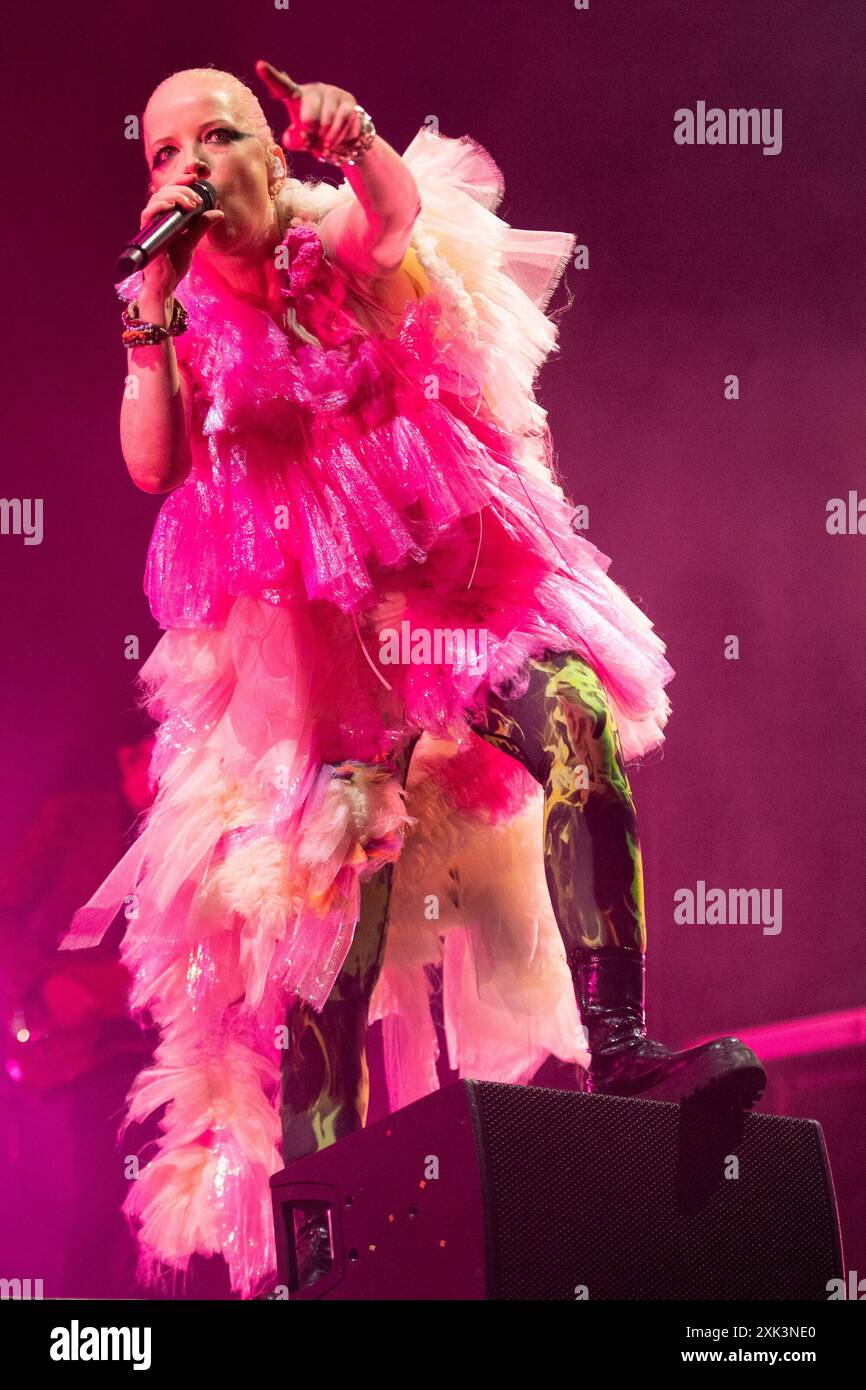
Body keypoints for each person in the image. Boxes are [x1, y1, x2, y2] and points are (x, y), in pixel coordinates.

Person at [59, 61, 766, 1298]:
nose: (187, 169)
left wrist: (364, 137)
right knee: (328, 933)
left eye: (215, 139)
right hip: (316, 668)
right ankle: (327, 1238)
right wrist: (149, 321)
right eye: (161, 153)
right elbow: (153, 460)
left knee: (579, 719)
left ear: (267, 160)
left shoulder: (326, 226)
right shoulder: (169, 310)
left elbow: (388, 228)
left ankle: (623, 1052)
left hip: (445, 604)